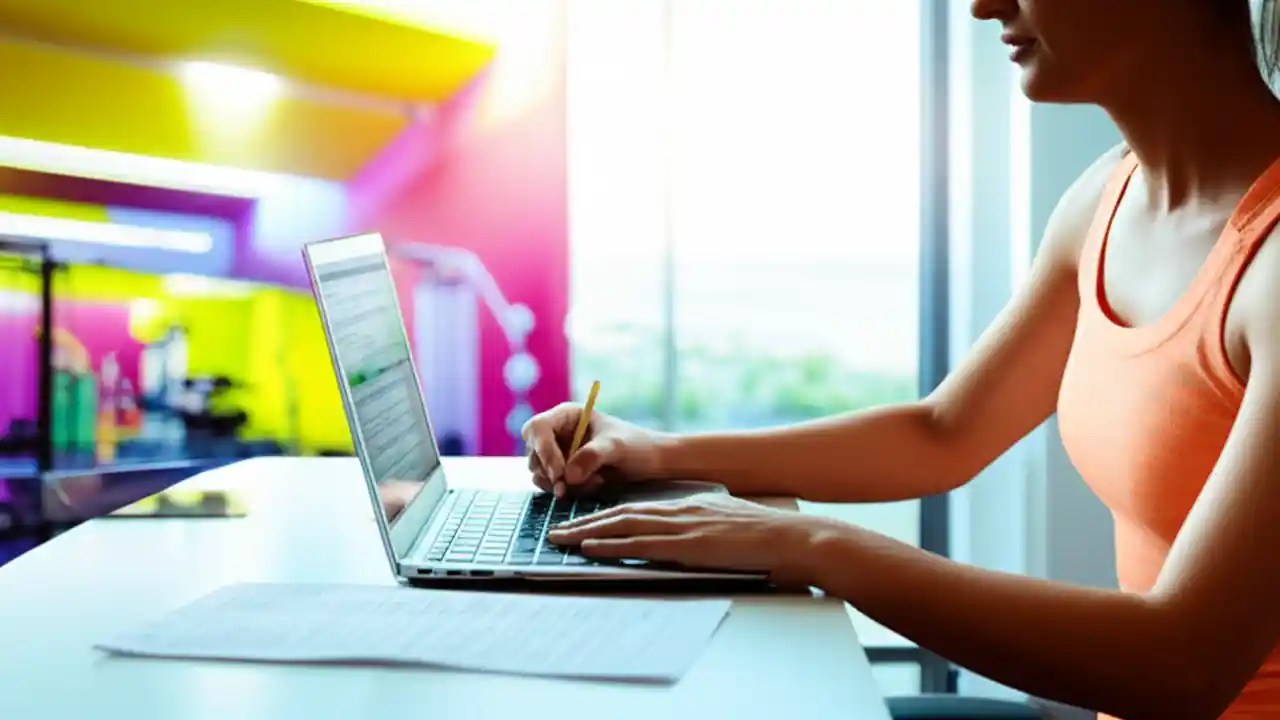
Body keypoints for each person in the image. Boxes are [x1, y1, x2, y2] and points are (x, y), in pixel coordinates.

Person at [524, 1, 1280, 717]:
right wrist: (659, 453)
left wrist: (811, 544)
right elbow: (945, 434)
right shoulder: (1108, 197)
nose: (984, 6)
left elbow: (1183, 665)